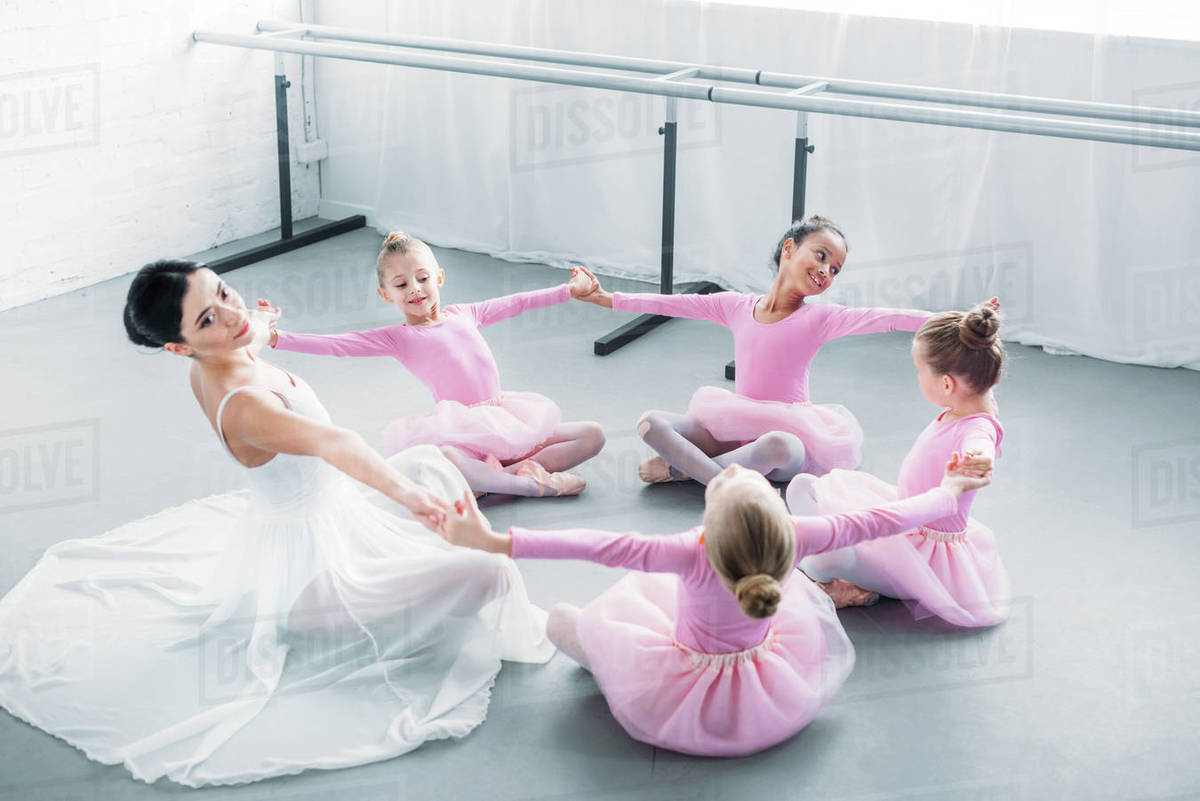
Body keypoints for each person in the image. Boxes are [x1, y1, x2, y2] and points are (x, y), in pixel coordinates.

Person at [0, 260, 553, 787]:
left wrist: (262, 320)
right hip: (311, 574)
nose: (232, 314)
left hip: (332, 513)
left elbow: (253, 331)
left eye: (222, 291)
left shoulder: (223, 348)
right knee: (486, 573)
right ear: (178, 346)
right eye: (208, 318)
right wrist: (408, 499)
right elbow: (338, 442)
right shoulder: (242, 405)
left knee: (433, 464)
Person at [437, 455, 991, 757]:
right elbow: (884, 519)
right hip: (769, 668)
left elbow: (591, 544)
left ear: (709, 523)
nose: (726, 471)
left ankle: (593, 651)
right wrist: (949, 490)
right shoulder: (795, 536)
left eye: (725, 481)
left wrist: (487, 540)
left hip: (686, 671)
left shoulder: (686, 551)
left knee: (570, 619)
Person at [578, 215, 935, 485]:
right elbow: (674, 303)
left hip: (786, 437)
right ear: (790, 249)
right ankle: (718, 476)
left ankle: (688, 470)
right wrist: (607, 298)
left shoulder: (822, 318)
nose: (826, 271)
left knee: (780, 444)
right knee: (650, 423)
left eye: (835, 269)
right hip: (732, 426)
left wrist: (956, 320)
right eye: (822, 256)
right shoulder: (734, 306)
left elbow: (888, 318)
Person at [269, 232, 606, 498]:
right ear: (386, 294)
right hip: (464, 434)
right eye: (401, 285)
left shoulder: (466, 314)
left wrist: (569, 290)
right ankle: (530, 486)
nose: (415, 290)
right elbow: (338, 345)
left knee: (593, 435)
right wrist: (277, 338)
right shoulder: (397, 338)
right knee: (447, 458)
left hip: (506, 418)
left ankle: (513, 472)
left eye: (422, 278)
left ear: (439, 278)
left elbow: (518, 302)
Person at [788, 301, 1009, 625]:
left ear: (947, 384)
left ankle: (848, 586)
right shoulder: (979, 394)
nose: (918, 376)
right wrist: (974, 328)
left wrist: (978, 461)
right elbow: (978, 369)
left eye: (920, 371)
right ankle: (858, 577)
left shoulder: (978, 427)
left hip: (924, 552)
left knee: (823, 557)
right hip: (904, 515)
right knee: (803, 487)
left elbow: (981, 441)